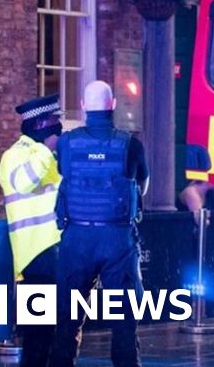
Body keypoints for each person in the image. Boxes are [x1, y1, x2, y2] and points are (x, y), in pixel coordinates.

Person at [51, 81, 149, 367]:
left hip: (76, 238)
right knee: (123, 321)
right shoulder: (131, 144)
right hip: (117, 239)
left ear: (82, 106)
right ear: (113, 105)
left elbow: (64, 174)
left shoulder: (67, 143)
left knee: (67, 321)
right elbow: (141, 185)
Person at [0, 94, 64, 367]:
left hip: (58, 255)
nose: (59, 127)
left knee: (57, 336)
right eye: (54, 121)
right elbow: (25, 182)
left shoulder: (49, 155)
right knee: (37, 338)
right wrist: (47, 150)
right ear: (40, 124)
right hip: (33, 259)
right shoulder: (13, 156)